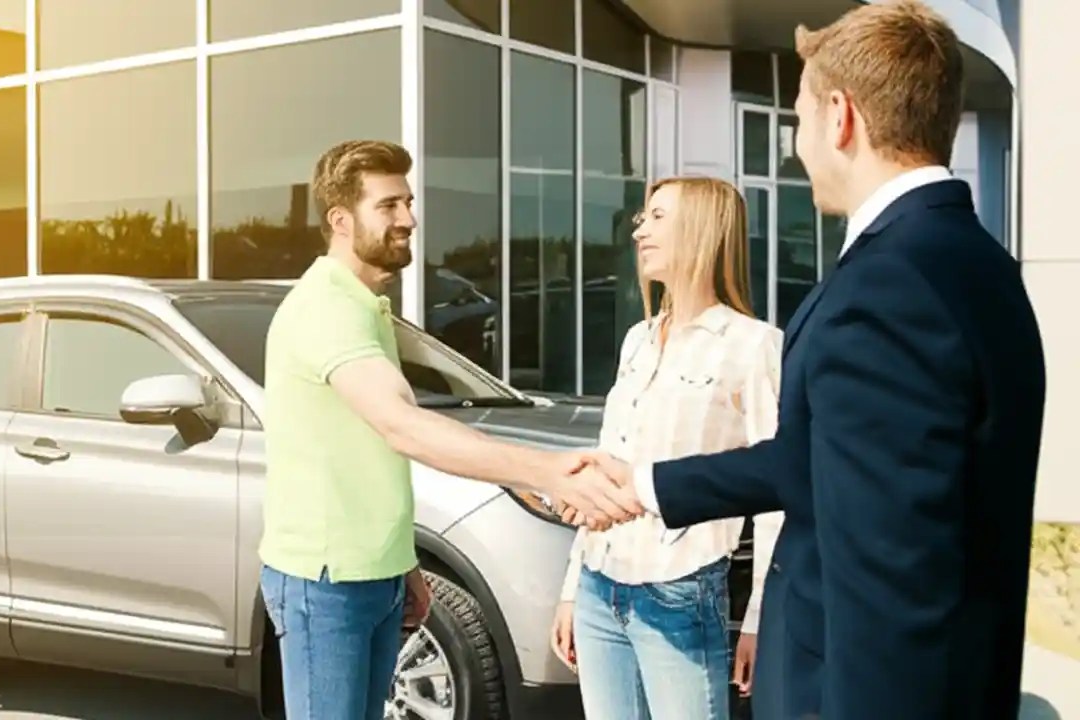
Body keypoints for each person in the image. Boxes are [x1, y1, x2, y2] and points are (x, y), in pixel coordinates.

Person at [574, 2, 1046, 719]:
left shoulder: (891, 286)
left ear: (839, 116)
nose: (796, 147)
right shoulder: (976, 264)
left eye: (797, 119)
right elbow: (825, 463)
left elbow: (892, 578)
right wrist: (646, 484)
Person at [258, 139, 642, 720]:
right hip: (327, 581)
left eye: (408, 202)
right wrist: (547, 471)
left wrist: (402, 563)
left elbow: (361, 454)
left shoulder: (365, 306)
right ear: (340, 220)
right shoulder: (324, 309)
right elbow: (402, 427)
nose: (408, 219)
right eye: (388, 205)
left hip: (374, 573)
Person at [549, 176, 785, 720]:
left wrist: (760, 619)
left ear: (702, 229)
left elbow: (776, 492)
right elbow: (606, 467)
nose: (639, 232)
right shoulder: (637, 339)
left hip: (682, 593)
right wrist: (572, 588)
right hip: (600, 588)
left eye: (657, 218)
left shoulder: (753, 346)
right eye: (642, 218)